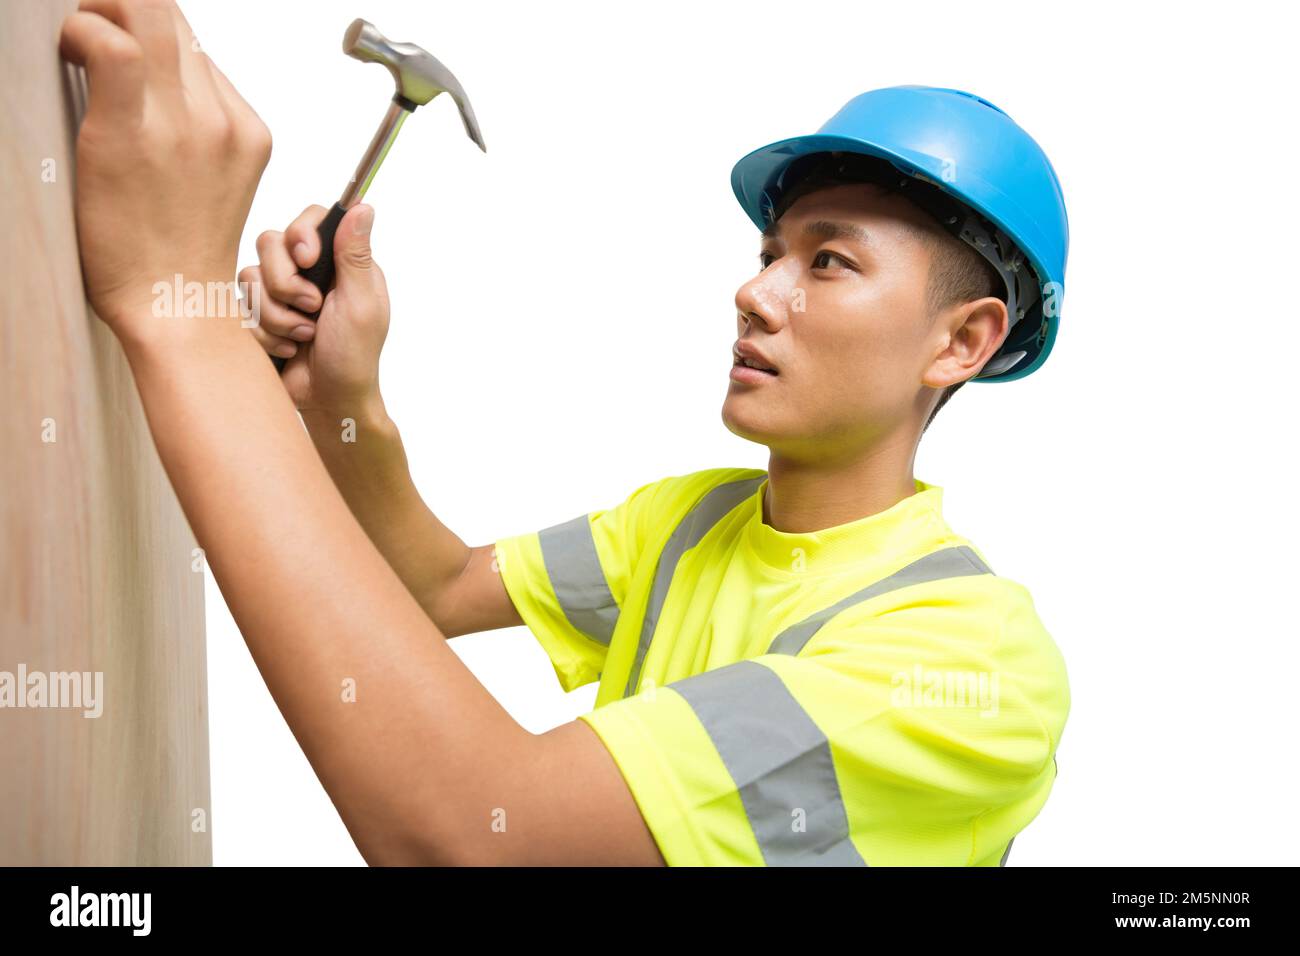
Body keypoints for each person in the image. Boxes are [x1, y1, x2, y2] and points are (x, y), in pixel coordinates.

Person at [61, 0, 1068, 865]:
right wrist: (342, 402)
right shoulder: (692, 518)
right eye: (769, 251)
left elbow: (477, 837)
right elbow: (435, 584)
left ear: (962, 341)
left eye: (829, 262)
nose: (753, 291)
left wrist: (180, 315)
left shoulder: (969, 657)